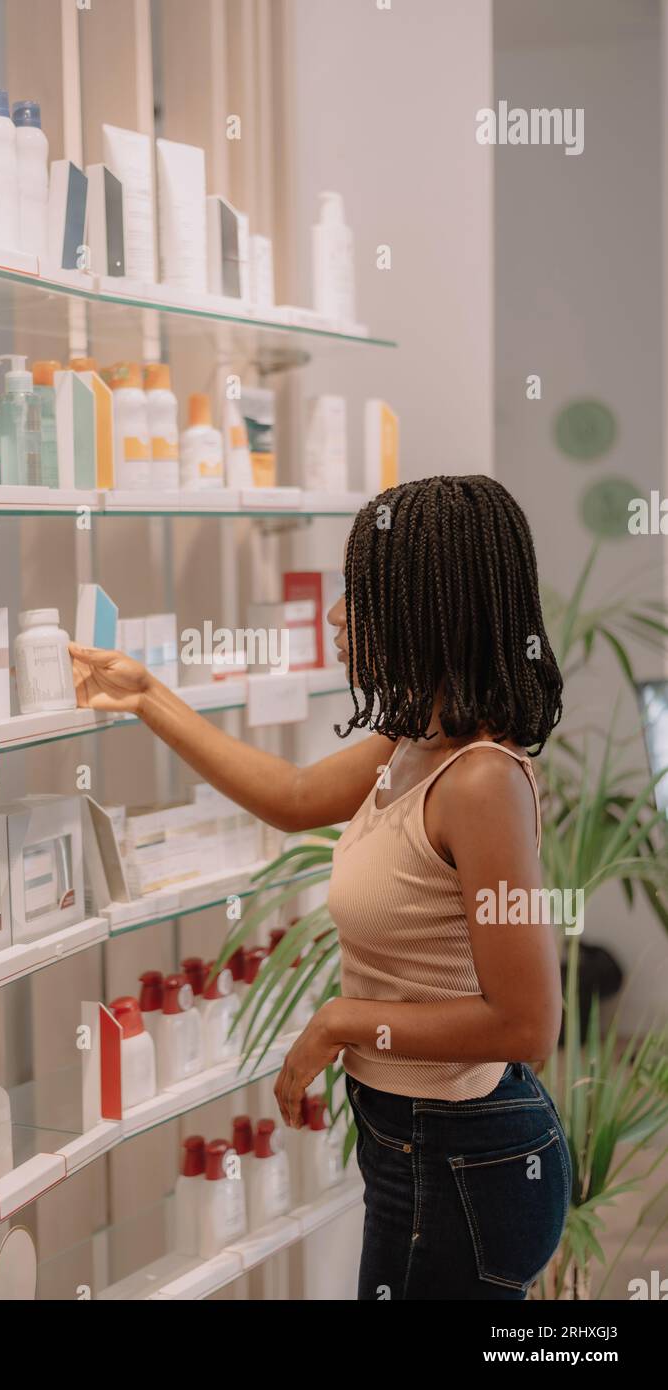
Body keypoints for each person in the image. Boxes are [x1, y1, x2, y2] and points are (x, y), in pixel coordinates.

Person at [70, 474, 572, 1301]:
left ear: (425, 612)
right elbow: (293, 797)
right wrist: (146, 696)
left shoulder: (481, 782)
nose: (338, 616)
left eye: (359, 596)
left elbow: (525, 1023)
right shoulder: (411, 743)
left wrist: (343, 1021)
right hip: (413, 1140)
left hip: (463, 1157)